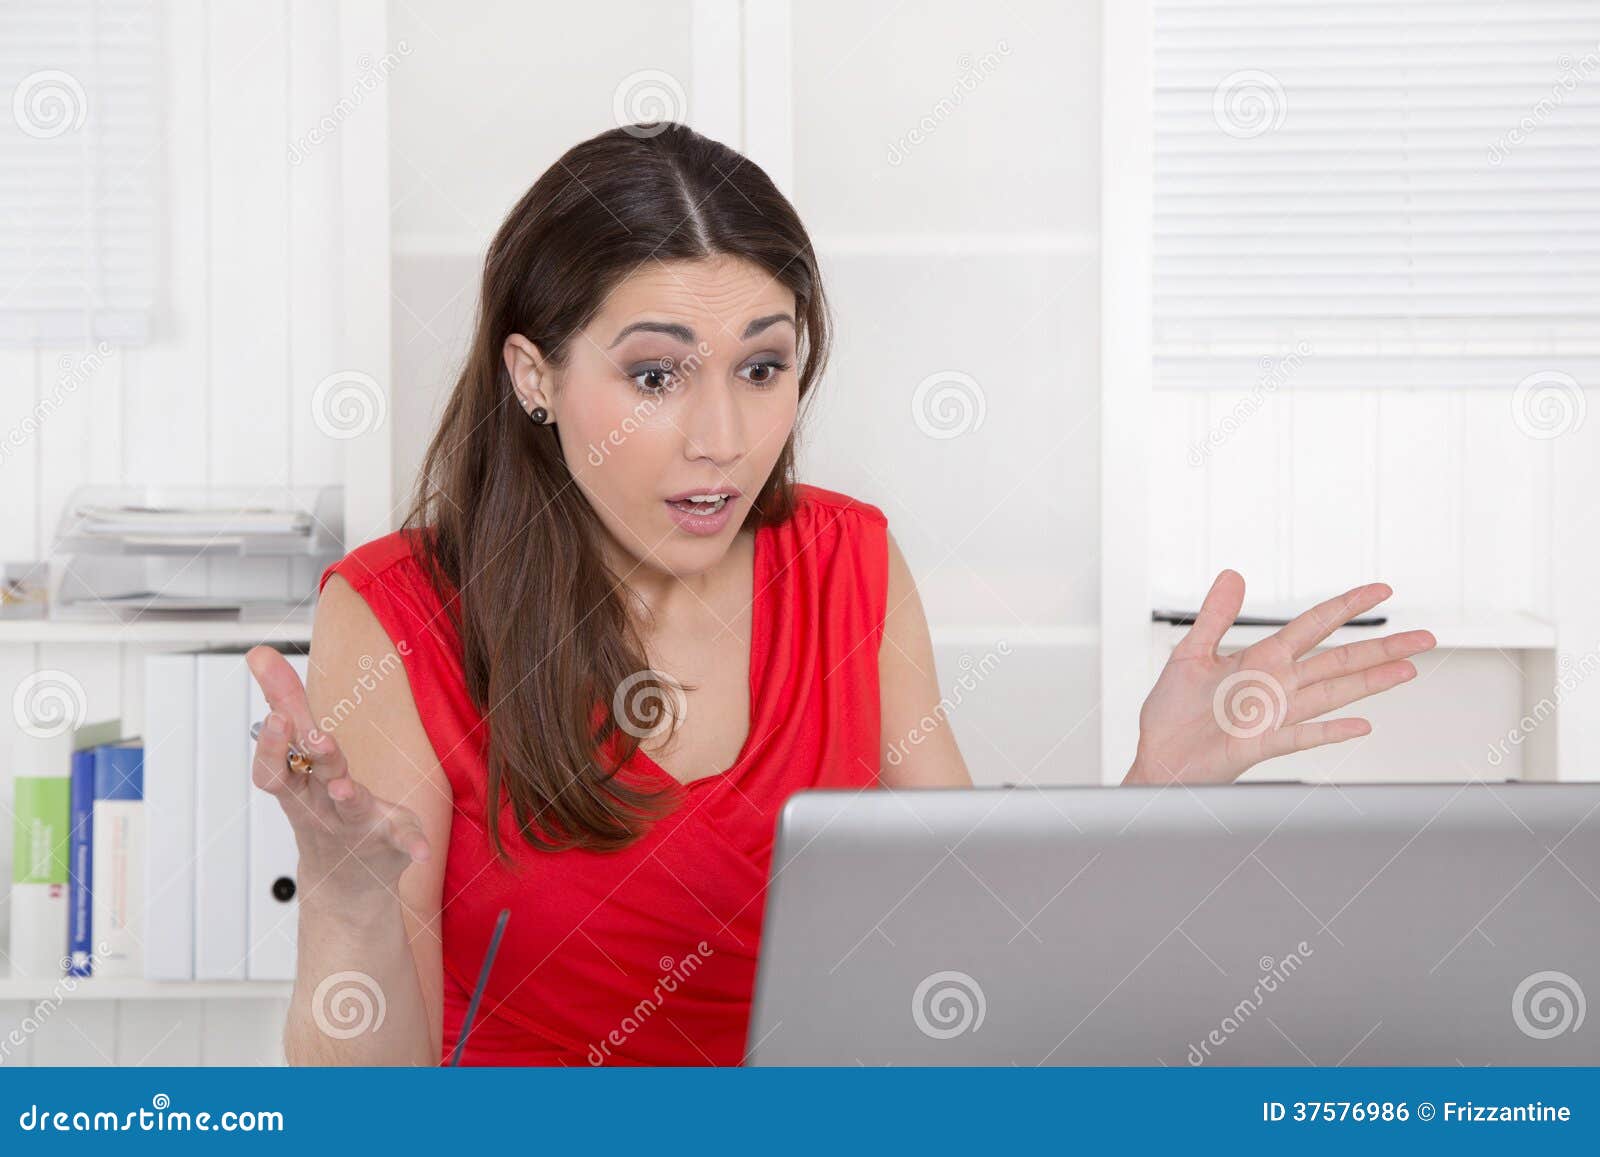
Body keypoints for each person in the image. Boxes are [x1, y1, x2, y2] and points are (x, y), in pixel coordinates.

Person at [244, 121, 1435, 1066]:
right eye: (654, 373)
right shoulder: (399, 611)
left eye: (763, 366)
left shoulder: (847, 561)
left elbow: (976, 966)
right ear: (533, 375)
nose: (723, 435)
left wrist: (1150, 798)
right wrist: (348, 901)